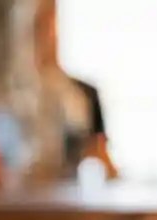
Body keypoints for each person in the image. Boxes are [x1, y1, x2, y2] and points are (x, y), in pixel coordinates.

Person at [34, 0, 118, 180]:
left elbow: (102, 156)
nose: (48, 36)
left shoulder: (84, 94)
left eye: (51, 26)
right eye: (40, 28)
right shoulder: (13, 97)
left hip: (66, 196)